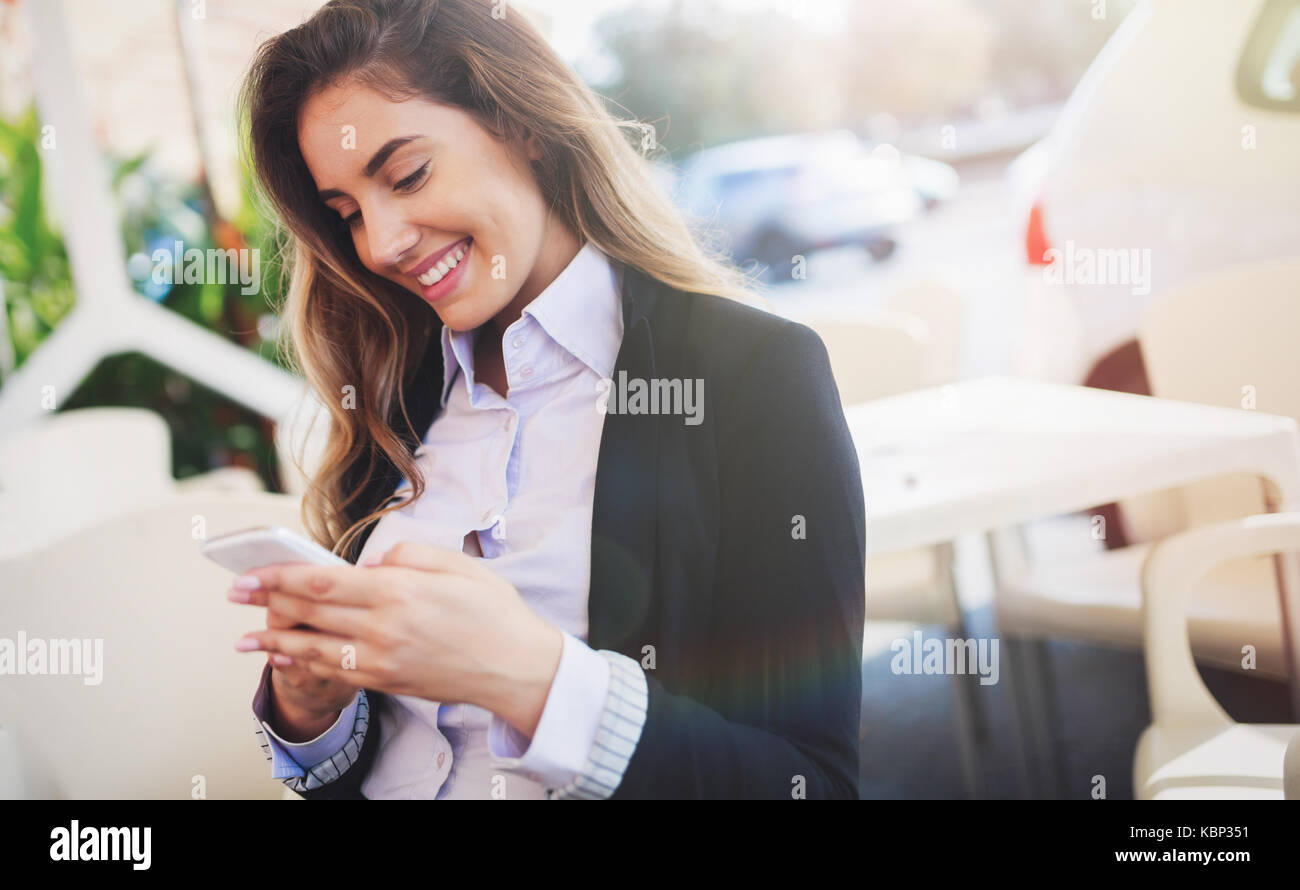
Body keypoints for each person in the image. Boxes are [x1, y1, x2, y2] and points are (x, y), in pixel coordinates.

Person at [229, 0, 865, 799]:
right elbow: (366, 763)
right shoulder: (391, 401)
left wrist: (535, 677)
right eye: (347, 213)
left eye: (408, 175)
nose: (381, 243)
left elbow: (810, 782)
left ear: (522, 123)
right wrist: (312, 707)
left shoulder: (752, 377)